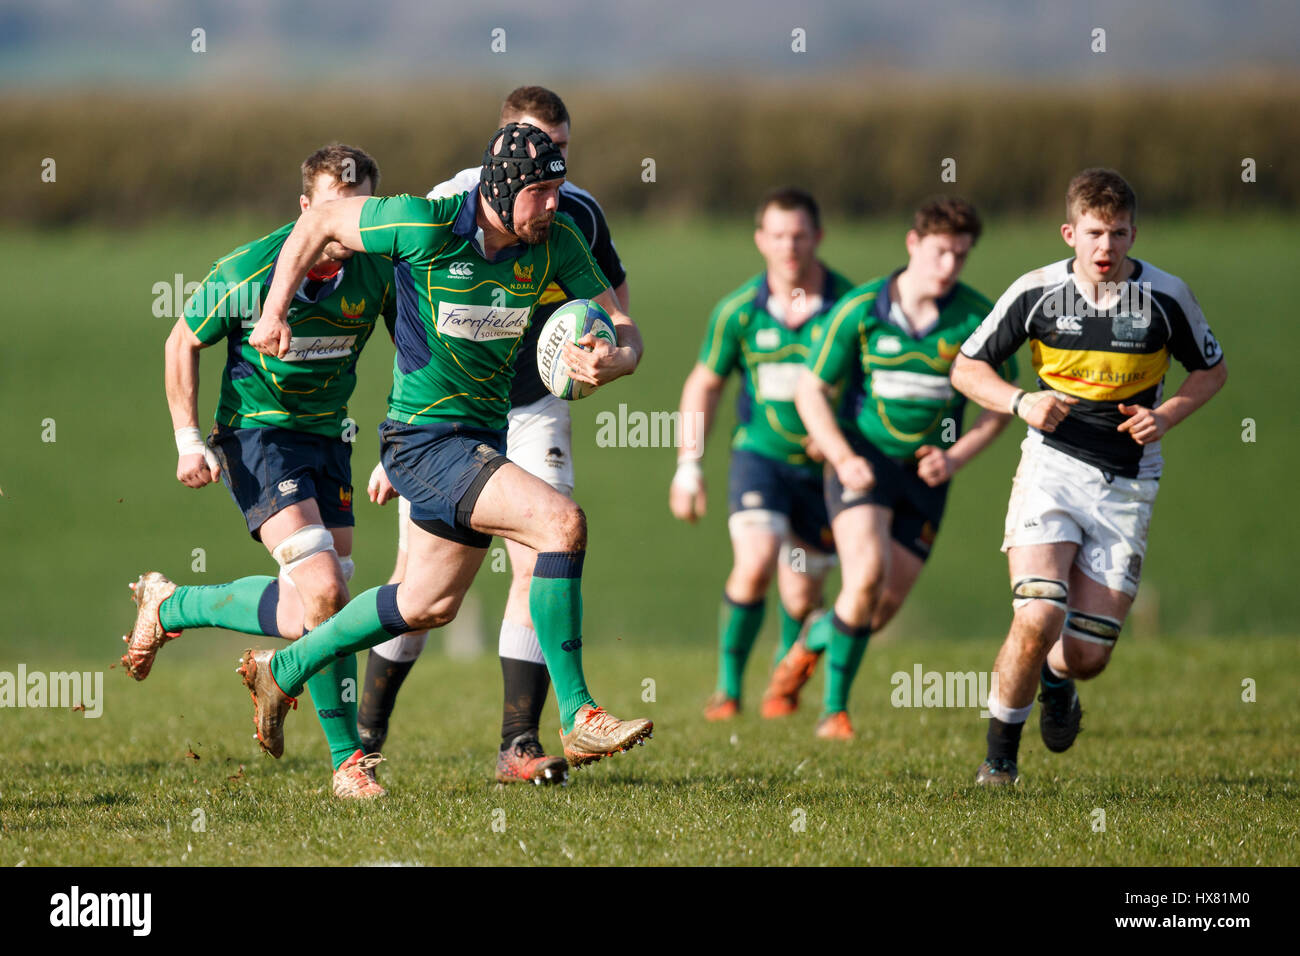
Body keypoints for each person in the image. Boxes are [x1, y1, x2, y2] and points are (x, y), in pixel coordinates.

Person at [235, 123, 654, 779]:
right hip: (422, 441)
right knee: (560, 524)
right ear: (505, 187)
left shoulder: (557, 241)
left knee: (426, 604)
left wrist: (614, 359)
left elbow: (624, 327)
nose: (553, 204)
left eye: (558, 189)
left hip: (479, 441)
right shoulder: (424, 223)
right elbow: (319, 220)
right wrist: (275, 310)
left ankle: (283, 667)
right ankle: (578, 718)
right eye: (541, 191)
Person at [359, 86, 630, 786]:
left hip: (534, 405)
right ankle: (366, 735)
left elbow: (617, 320)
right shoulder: (449, 206)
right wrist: (409, 441)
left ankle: (520, 744)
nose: (554, 163)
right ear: (502, 149)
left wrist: (607, 357)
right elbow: (409, 311)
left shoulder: (577, 214)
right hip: (445, 419)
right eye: (541, 147)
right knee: (422, 599)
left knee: (547, 545)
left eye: (564, 150)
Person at [121, 144, 395, 798]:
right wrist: (190, 441)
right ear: (306, 209)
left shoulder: (380, 267)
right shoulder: (250, 269)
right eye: (333, 208)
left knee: (312, 611)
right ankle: (347, 762)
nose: (345, 225)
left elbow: (415, 352)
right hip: (257, 435)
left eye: (359, 210)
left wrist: (400, 443)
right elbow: (181, 341)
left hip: (331, 438)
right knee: (328, 591)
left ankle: (172, 604)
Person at [950, 168, 1227, 785]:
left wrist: (1167, 414)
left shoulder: (1166, 296)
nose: (1106, 248)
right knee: (1037, 613)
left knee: (1088, 656)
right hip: (1050, 468)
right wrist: (1021, 402)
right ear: (1070, 232)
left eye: (1119, 233)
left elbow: (1212, 370)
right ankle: (999, 764)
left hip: (1127, 481)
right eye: (1095, 233)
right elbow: (967, 369)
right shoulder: (1037, 292)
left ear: (1135, 233)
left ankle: (1057, 681)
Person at [765, 196, 1017, 739]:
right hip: (864, 464)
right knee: (866, 574)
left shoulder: (977, 317)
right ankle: (834, 712)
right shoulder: (861, 310)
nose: (949, 266)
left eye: (961, 256)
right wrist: (842, 456)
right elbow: (811, 391)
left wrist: (956, 455)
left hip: (928, 477)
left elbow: (1003, 403)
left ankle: (813, 638)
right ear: (912, 244)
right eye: (941, 252)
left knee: (879, 609)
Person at [669, 187, 853, 720]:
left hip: (823, 472)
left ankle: (785, 678)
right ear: (760, 241)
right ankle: (727, 691)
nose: (789, 247)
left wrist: (840, 440)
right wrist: (688, 467)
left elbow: (869, 389)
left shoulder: (851, 307)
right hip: (760, 457)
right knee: (752, 565)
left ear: (818, 237)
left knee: (801, 597)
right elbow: (704, 383)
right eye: (778, 236)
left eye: (799, 235)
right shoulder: (738, 312)